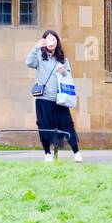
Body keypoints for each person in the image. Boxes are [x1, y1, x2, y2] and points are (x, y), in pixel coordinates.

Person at [25, 29, 82, 162]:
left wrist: (63, 72)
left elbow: (69, 74)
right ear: (44, 41)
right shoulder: (39, 55)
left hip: (60, 99)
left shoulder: (62, 58)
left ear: (57, 42)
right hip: (43, 98)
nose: (52, 42)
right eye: (49, 39)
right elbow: (28, 62)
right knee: (44, 126)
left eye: (54, 39)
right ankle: (47, 154)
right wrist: (36, 46)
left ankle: (76, 153)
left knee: (67, 125)